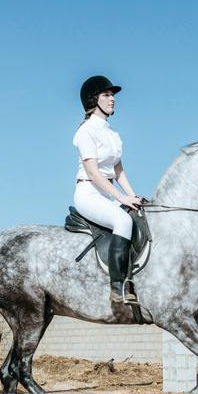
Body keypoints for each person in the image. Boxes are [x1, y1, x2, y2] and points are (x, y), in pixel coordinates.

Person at [73, 75, 143, 303]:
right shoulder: (85, 132)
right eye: (107, 95)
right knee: (123, 221)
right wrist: (121, 197)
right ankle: (117, 287)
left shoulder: (112, 134)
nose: (112, 99)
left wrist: (132, 195)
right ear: (94, 100)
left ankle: (134, 277)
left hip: (108, 192)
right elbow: (94, 173)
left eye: (112, 95)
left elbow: (118, 170)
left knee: (139, 216)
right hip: (89, 192)